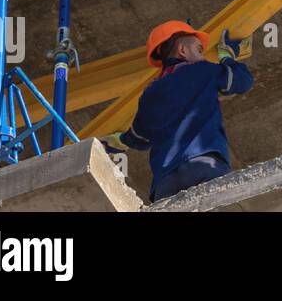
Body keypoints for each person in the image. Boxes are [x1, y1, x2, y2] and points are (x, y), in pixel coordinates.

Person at [102, 20, 253, 202]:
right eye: (199, 50)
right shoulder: (203, 70)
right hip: (204, 166)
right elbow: (242, 81)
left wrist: (119, 141)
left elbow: (140, 138)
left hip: (165, 184)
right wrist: (227, 56)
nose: (203, 56)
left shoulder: (151, 92)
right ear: (182, 51)